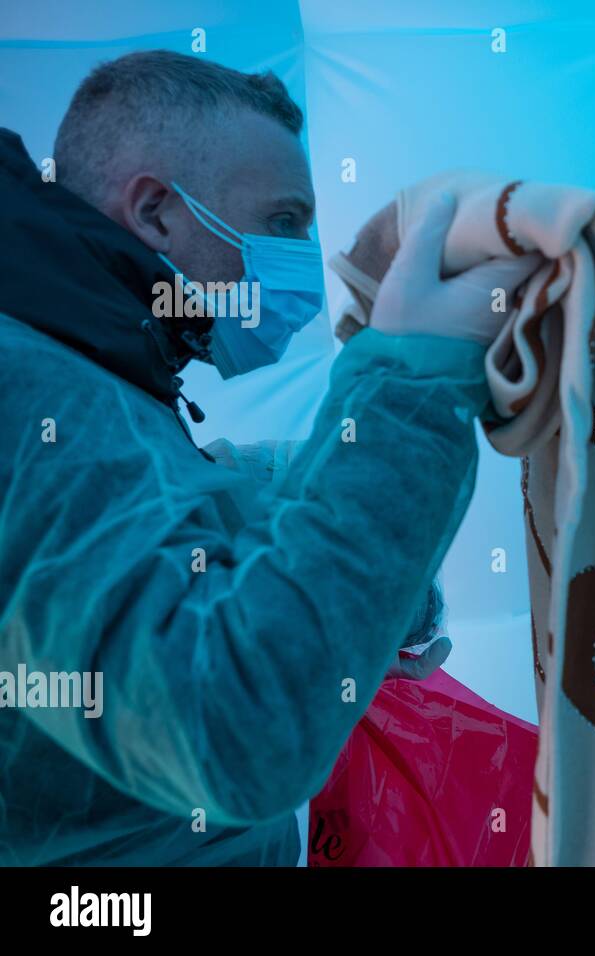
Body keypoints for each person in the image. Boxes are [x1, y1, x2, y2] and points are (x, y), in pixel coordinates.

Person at [0, 50, 539, 865]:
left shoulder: (74, 352)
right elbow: (232, 724)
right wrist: (412, 382)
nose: (306, 268)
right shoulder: (35, 387)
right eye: (284, 222)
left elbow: (112, 531)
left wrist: (281, 496)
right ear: (155, 212)